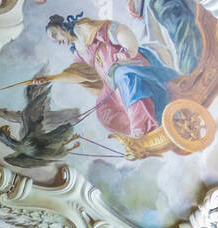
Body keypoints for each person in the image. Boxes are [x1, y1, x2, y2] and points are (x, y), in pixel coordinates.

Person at [37, 12, 180, 138]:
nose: (57, 41)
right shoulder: (78, 51)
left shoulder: (85, 29)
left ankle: (142, 123)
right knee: (103, 109)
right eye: (53, 40)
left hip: (128, 65)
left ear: (62, 27)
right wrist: (50, 78)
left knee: (123, 76)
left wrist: (128, 51)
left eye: (55, 34)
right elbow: (77, 74)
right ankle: (136, 129)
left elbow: (118, 29)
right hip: (111, 79)